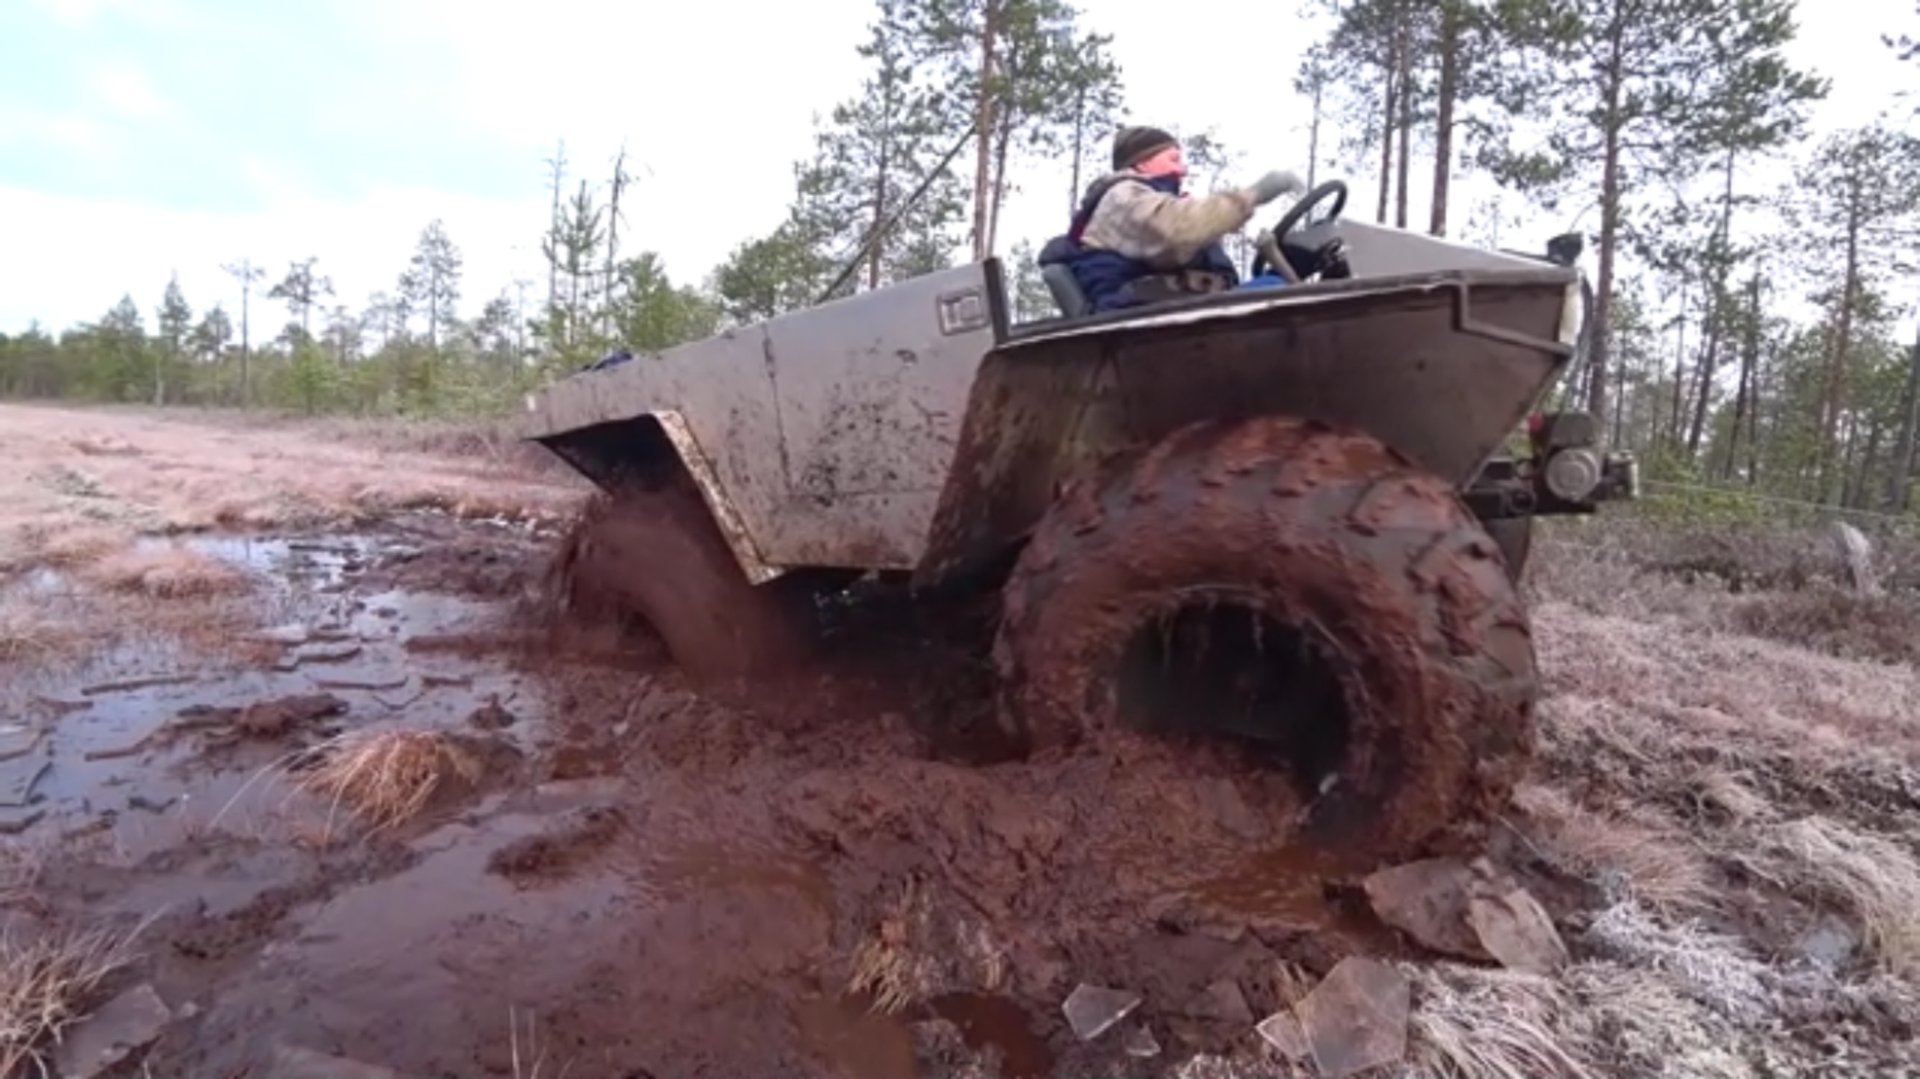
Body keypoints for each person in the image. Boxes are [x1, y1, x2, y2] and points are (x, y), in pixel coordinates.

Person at [1040, 125, 1305, 313]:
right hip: (1142, 323)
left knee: (1278, 285)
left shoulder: (1144, 199)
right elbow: (1179, 230)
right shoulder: (1123, 197)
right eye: (1173, 159)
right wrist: (1254, 195)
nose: (1182, 169)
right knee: (1280, 296)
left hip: (1170, 313)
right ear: (1142, 164)